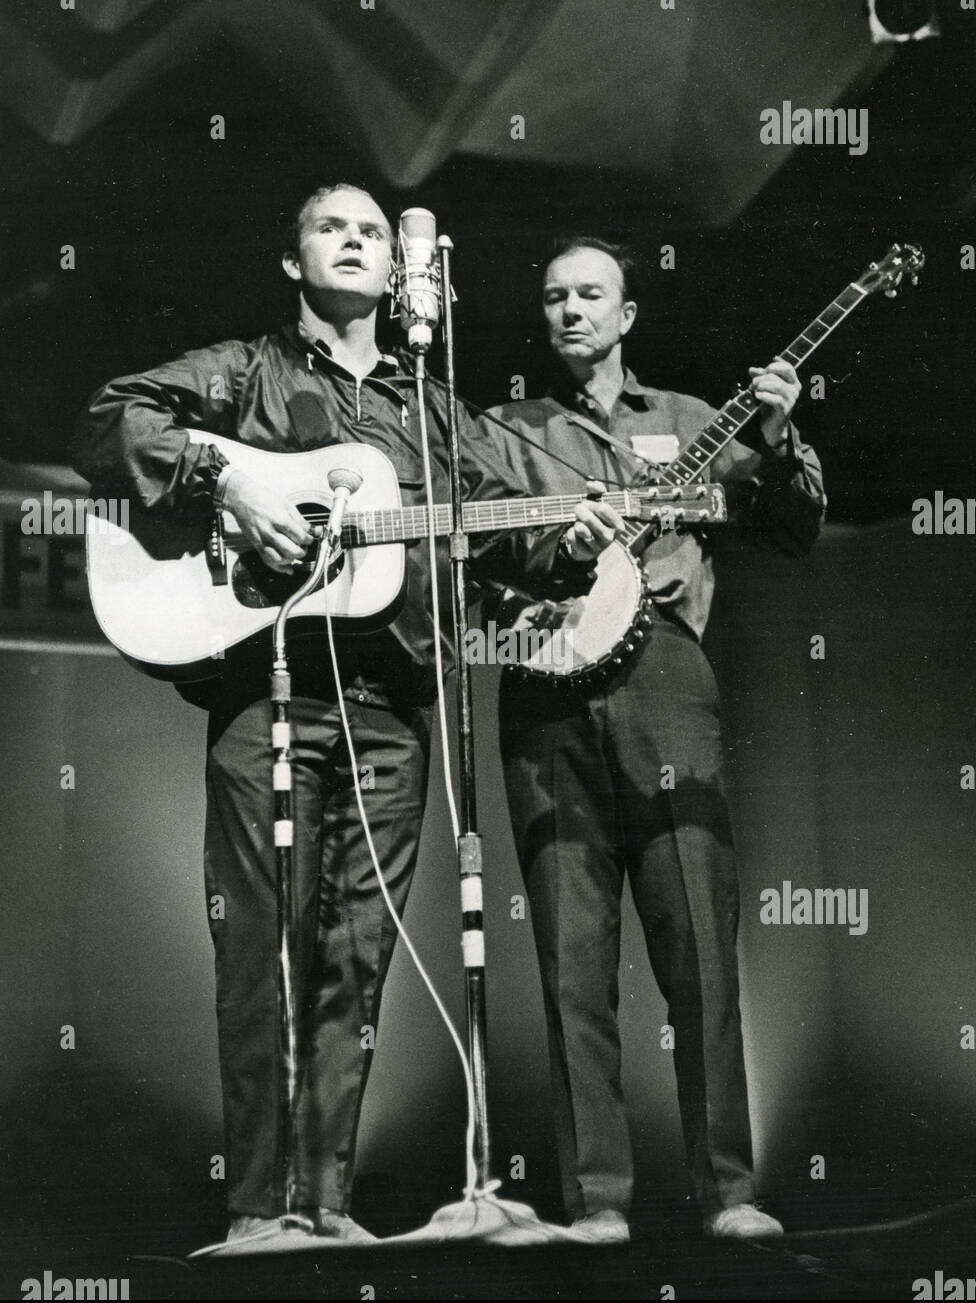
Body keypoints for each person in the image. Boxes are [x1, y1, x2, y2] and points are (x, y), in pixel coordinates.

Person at [73, 187, 620, 1246]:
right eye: (336, 227)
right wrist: (226, 481)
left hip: (396, 713)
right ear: (294, 262)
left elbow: (514, 538)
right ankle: (256, 1210)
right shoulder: (247, 370)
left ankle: (324, 1208)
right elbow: (108, 417)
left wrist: (584, 534)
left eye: (376, 231)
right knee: (265, 950)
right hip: (265, 700)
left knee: (358, 958)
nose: (362, 241)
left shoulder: (433, 404)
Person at [483, 236, 825, 1243]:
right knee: (570, 959)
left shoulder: (686, 422)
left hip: (666, 678)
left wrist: (780, 429)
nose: (570, 310)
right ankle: (596, 1202)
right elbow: (479, 549)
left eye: (591, 294)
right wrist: (550, 549)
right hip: (546, 689)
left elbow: (793, 525)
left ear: (628, 314)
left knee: (699, 950)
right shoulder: (507, 429)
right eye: (554, 296)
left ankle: (729, 1190)